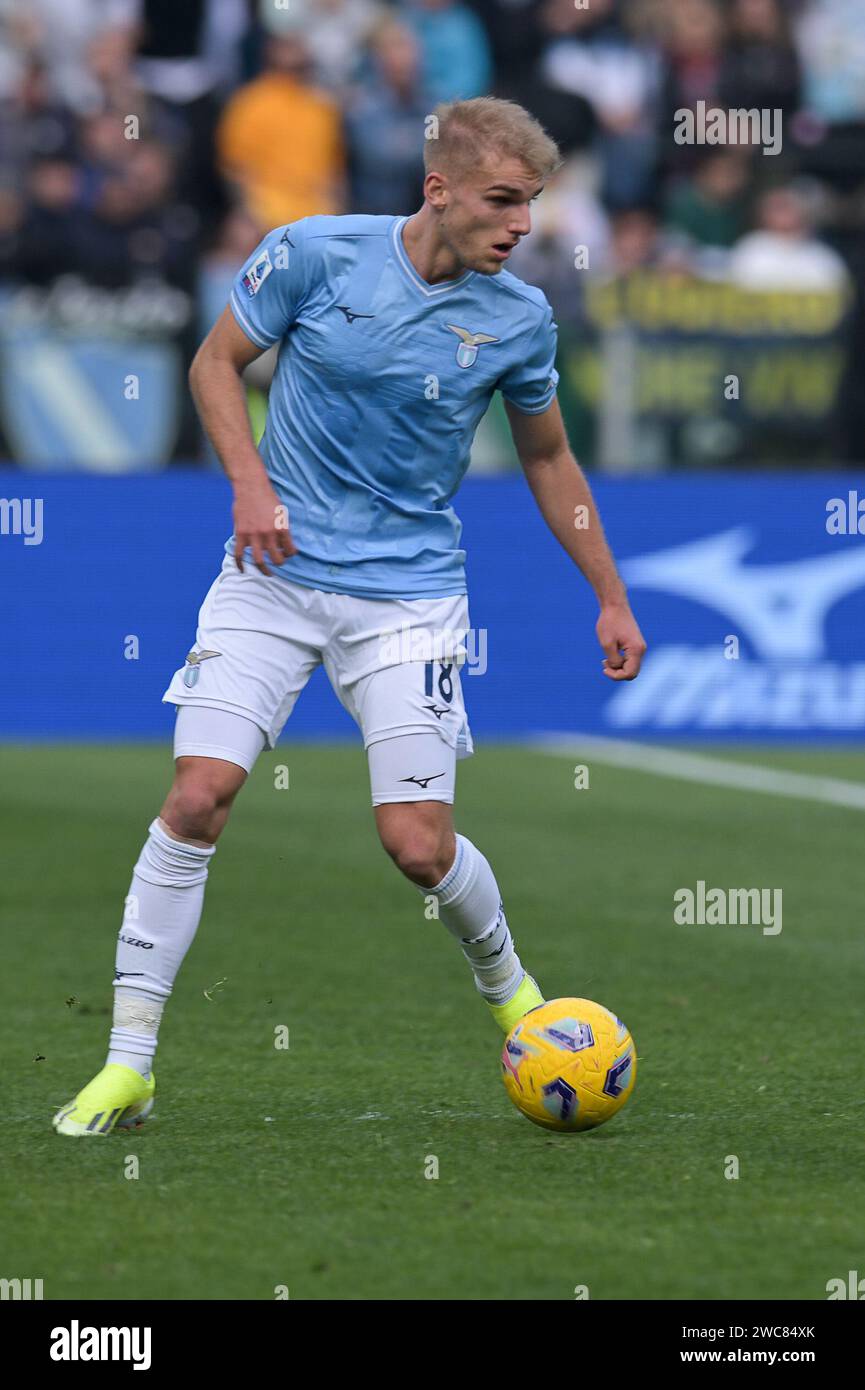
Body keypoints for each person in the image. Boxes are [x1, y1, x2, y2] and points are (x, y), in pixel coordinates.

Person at [53, 97, 646, 1137]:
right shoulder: (315, 256)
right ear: (438, 188)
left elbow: (549, 458)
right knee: (196, 798)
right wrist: (249, 483)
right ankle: (128, 1065)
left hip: (409, 597)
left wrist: (608, 592)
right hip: (271, 572)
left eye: (533, 205)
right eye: (502, 201)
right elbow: (213, 362)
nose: (520, 225)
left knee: (418, 845)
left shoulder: (516, 318)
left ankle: (511, 992)